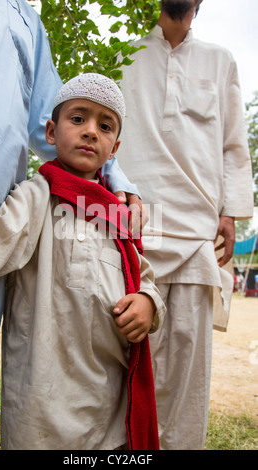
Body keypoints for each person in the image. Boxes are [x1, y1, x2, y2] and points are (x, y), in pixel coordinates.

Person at [0, 0, 143, 449]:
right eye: (78, 120)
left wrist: (149, 303)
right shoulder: (38, 195)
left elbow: (141, 270)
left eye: (104, 126)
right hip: (41, 402)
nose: (89, 132)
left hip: (103, 401)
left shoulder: (22, 16)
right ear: (53, 129)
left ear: (115, 147)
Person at [116, 0, 254, 449]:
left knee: (187, 380)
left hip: (198, 237)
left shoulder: (220, 60)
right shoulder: (122, 53)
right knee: (127, 370)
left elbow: (233, 143)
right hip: (134, 233)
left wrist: (231, 212)